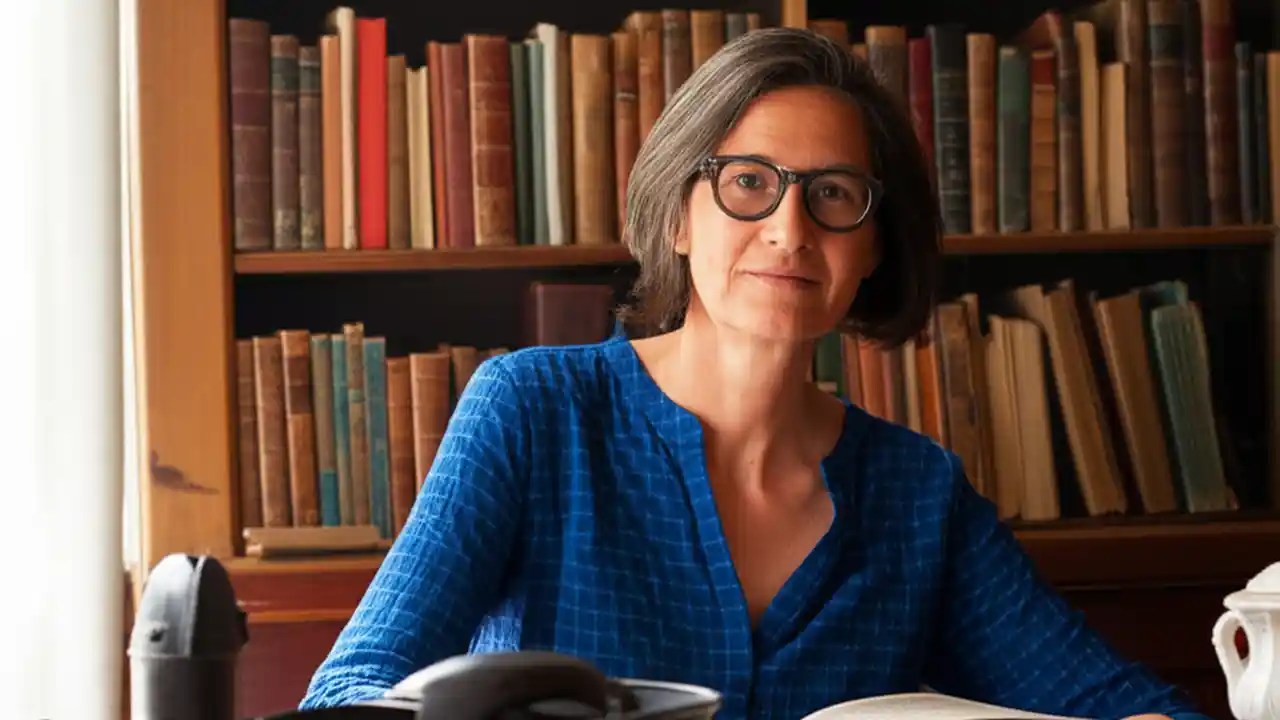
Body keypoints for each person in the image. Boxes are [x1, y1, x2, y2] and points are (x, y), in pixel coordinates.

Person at [300, 28, 1205, 720]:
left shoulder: (915, 494)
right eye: (747, 183)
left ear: (873, 248)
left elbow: (1119, 702)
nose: (790, 229)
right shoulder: (534, 410)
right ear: (679, 217)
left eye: (834, 194)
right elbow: (350, 689)